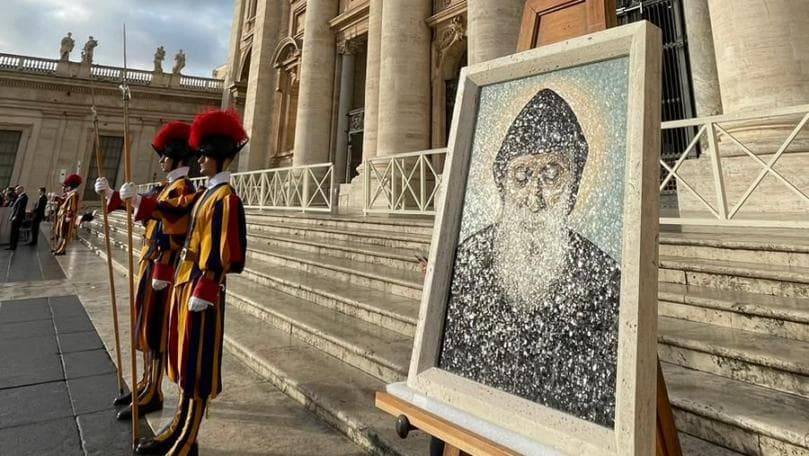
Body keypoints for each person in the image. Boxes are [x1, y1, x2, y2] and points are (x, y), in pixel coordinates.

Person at [439, 89, 620, 428]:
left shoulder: (604, 275)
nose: (534, 198)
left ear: (574, 188)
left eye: (552, 175)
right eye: (521, 176)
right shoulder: (466, 259)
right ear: (502, 184)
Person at [123, 110, 247, 456]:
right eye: (200, 154)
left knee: (198, 365)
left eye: (206, 155)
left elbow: (229, 249)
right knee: (184, 360)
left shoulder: (226, 198)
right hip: (184, 283)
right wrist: (133, 202)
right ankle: (178, 425)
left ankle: (189, 439)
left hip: (201, 289)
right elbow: (175, 221)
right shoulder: (207, 194)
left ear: (220, 156)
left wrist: (207, 286)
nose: (200, 160)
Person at [95, 121, 197, 421]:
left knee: (156, 331)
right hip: (150, 266)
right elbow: (143, 212)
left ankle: (154, 390)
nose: (161, 160)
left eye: (165, 155)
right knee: (146, 328)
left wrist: (141, 201)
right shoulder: (163, 188)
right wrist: (113, 193)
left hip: (165, 272)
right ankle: (145, 384)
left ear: (178, 157)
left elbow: (175, 217)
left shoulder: (185, 189)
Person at [52, 174, 82, 256]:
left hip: (67, 216)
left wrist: (69, 216)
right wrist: (56, 197)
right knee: (61, 233)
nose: (66, 187)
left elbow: (72, 207)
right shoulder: (70, 194)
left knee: (65, 234)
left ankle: (62, 249)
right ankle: (58, 247)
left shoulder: (74, 194)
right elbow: (64, 201)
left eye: (67, 186)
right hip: (63, 215)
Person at [7, 185, 28, 250]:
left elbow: (20, 208)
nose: (16, 191)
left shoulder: (24, 197)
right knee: (13, 231)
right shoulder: (20, 197)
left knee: (15, 232)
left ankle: (13, 246)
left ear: (21, 189)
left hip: (17, 217)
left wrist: (15, 216)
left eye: (17, 190)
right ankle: (11, 245)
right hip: (15, 216)